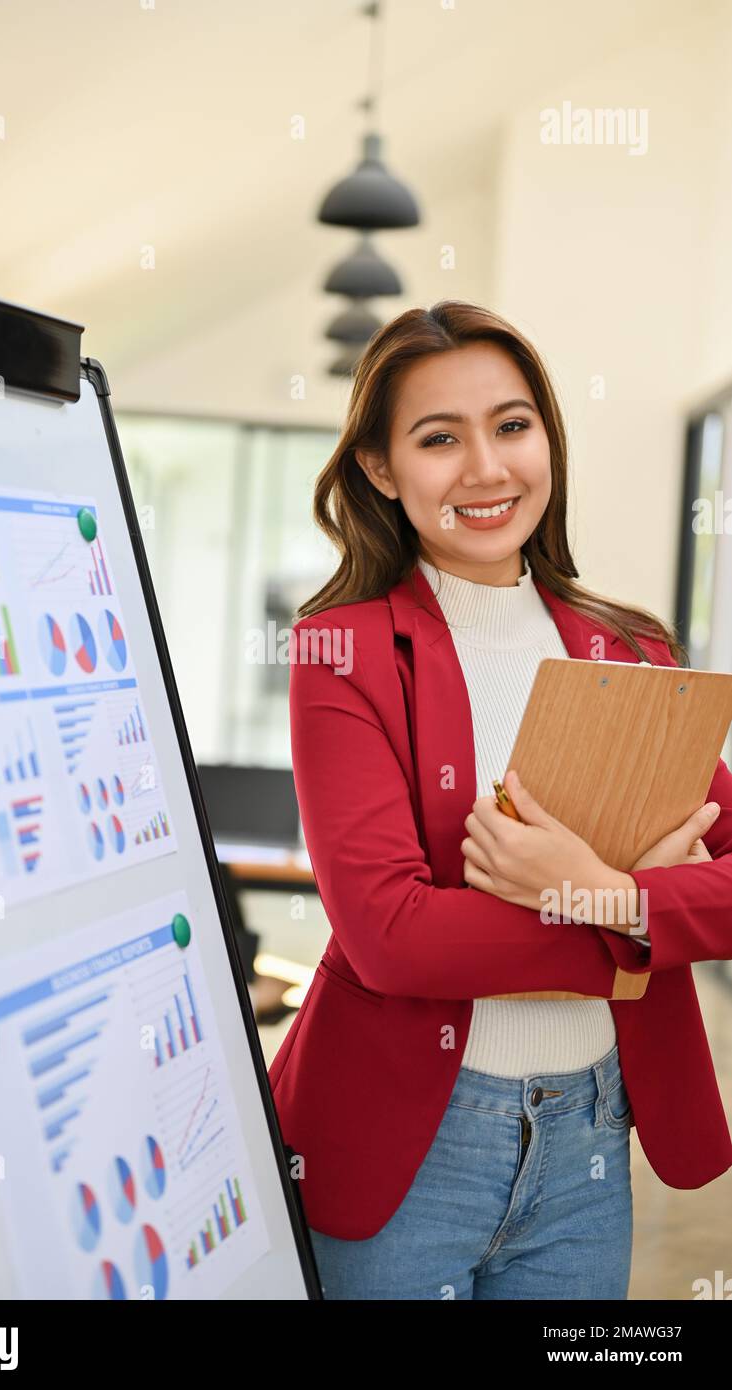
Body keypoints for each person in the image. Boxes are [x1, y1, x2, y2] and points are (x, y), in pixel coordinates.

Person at [268, 300, 732, 1300]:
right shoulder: (342, 651)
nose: (486, 468)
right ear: (382, 470)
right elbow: (391, 936)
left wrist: (602, 890)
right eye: (439, 438)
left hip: (587, 1141)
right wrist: (622, 911)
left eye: (512, 425)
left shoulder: (631, 650)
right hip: (405, 1145)